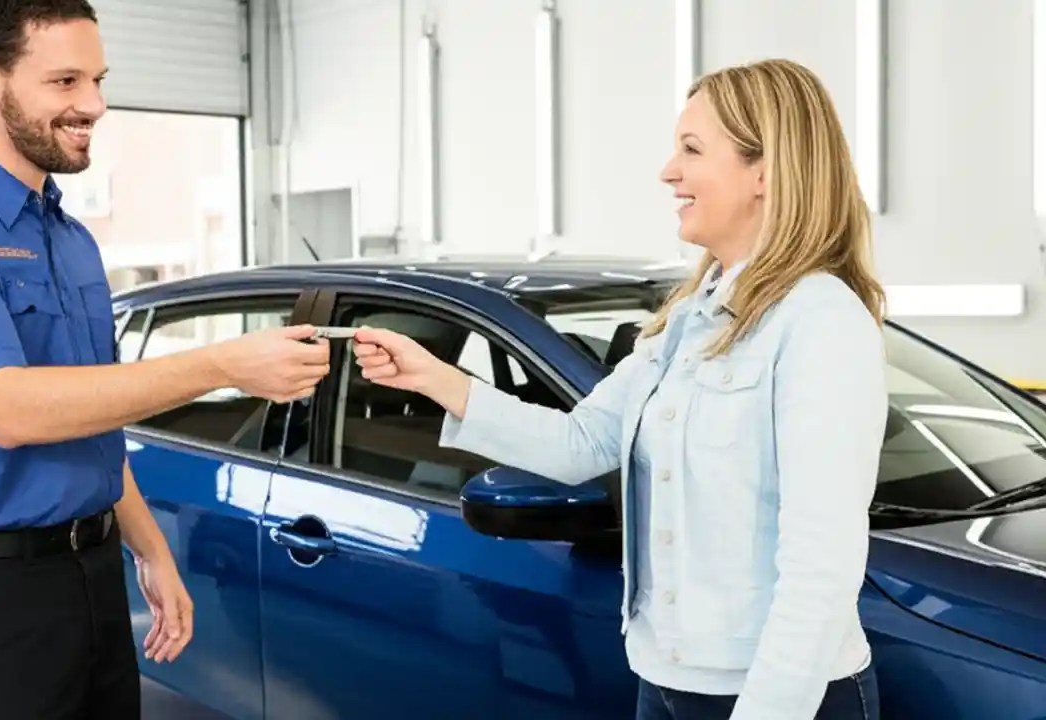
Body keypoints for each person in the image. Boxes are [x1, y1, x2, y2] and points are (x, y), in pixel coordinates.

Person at [352, 58, 887, 720]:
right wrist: (431, 377)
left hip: (777, 694)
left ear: (766, 171)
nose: (669, 171)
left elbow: (820, 568)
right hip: (664, 679)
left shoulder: (820, 322)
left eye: (692, 150)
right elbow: (581, 441)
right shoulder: (689, 319)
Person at [0, 1, 330, 718]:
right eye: (66, 82)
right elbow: (12, 411)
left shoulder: (71, 238)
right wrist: (222, 366)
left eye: (99, 80)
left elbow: (91, 419)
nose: (95, 105)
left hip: (90, 576)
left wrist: (150, 551)